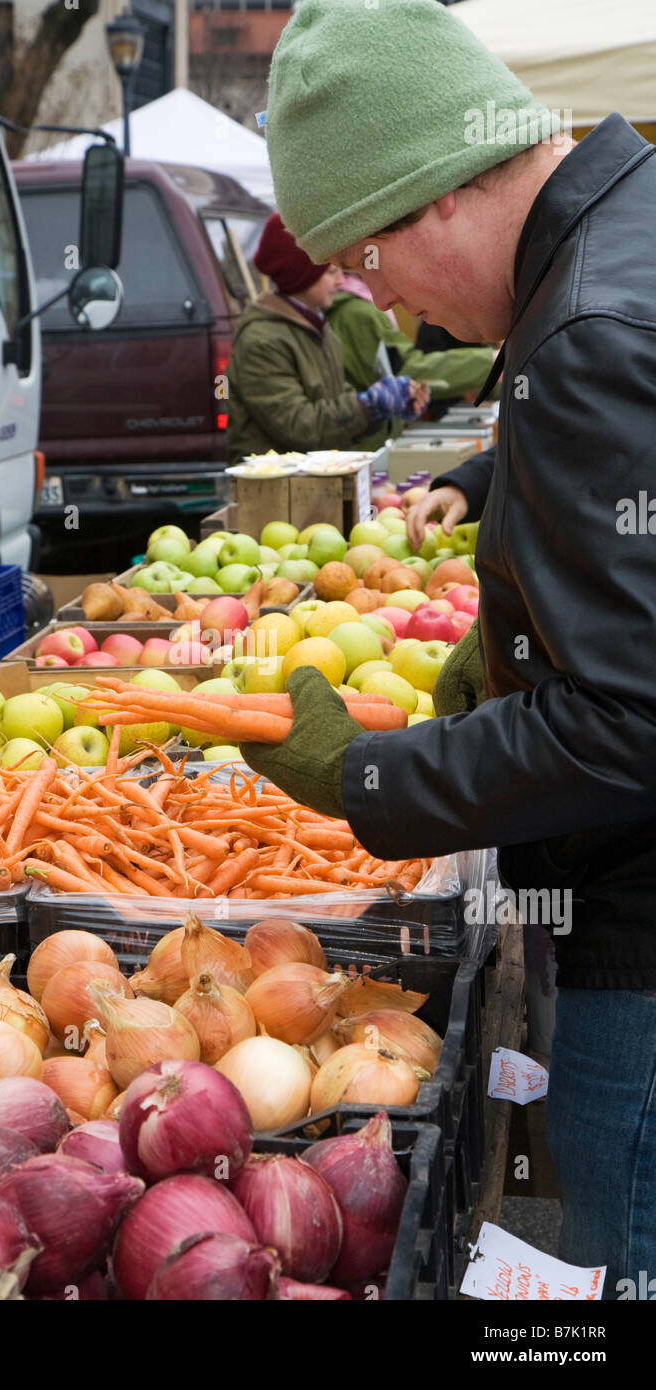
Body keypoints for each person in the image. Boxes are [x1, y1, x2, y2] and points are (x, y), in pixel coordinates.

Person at [241, 0, 656, 1296]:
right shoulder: (622, 234)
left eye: (368, 264)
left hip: (638, 944)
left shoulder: (583, 324)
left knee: (618, 1248)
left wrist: (370, 779)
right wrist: (526, 625)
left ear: (429, 198)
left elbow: (627, 723)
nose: (394, 313)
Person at [225, 213, 428, 465]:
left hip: (309, 482)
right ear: (301, 275)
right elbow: (300, 427)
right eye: (331, 271)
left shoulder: (319, 328)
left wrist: (387, 410)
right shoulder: (262, 341)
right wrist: (369, 406)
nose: (341, 280)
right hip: (273, 490)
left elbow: (337, 410)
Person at [326, 273, 496, 452]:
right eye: (329, 272)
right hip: (371, 447)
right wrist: (488, 363)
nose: (338, 280)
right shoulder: (357, 313)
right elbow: (405, 370)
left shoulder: (353, 309)